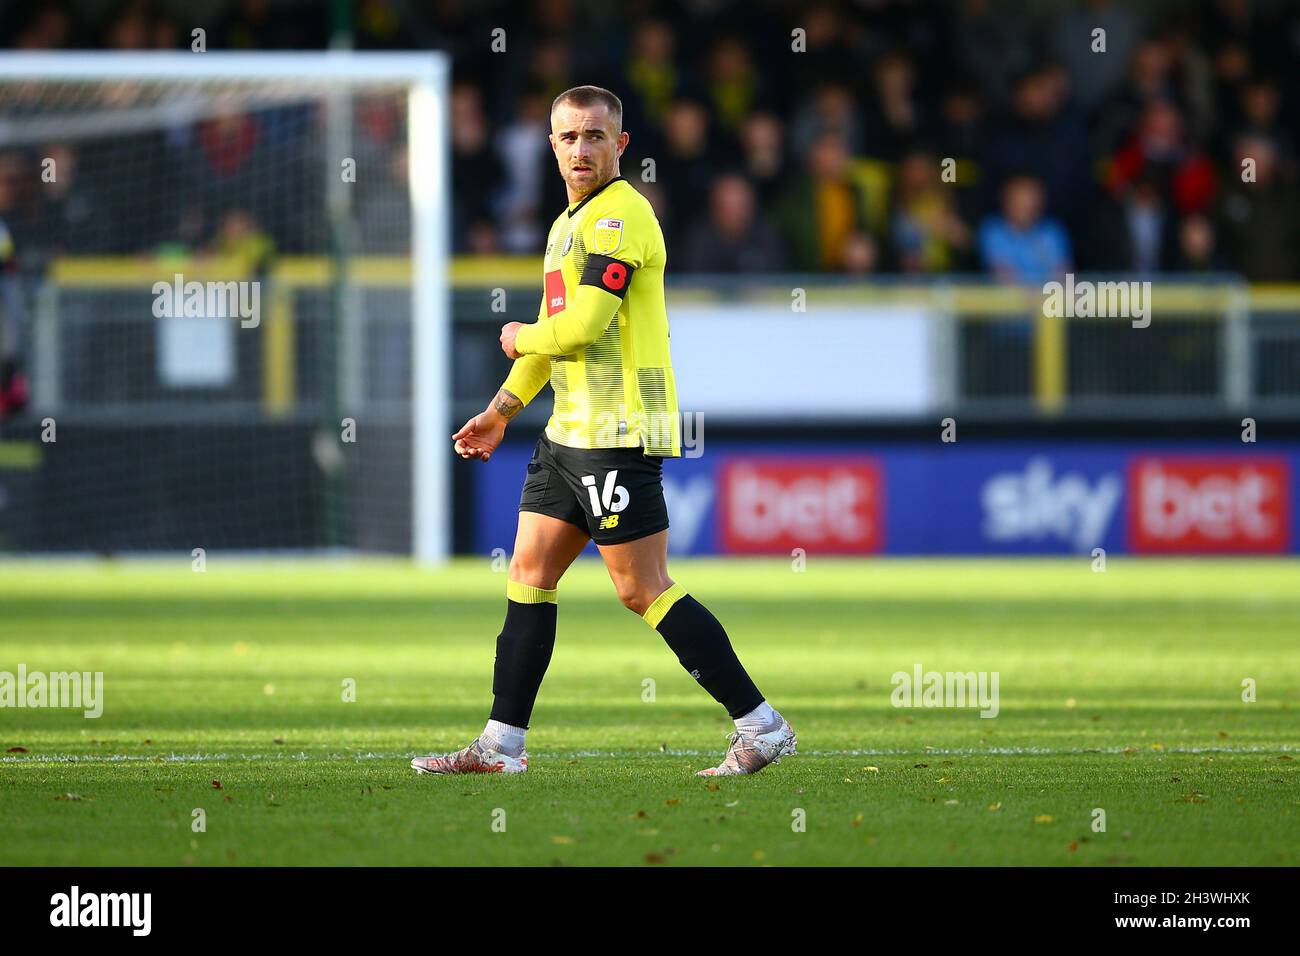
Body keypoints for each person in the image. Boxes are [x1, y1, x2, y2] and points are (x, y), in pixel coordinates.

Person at [412, 86, 795, 777]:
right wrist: (501, 410)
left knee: (642, 588)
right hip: (567, 433)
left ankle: (761, 725)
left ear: (621, 145)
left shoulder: (622, 217)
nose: (581, 149)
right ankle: (501, 746)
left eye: (595, 136)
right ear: (552, 146)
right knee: (529, 574)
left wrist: (517, 334)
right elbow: (553, 339)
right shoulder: (567, 224)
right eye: (568, 137)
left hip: (617, 430)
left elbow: (582, 325)